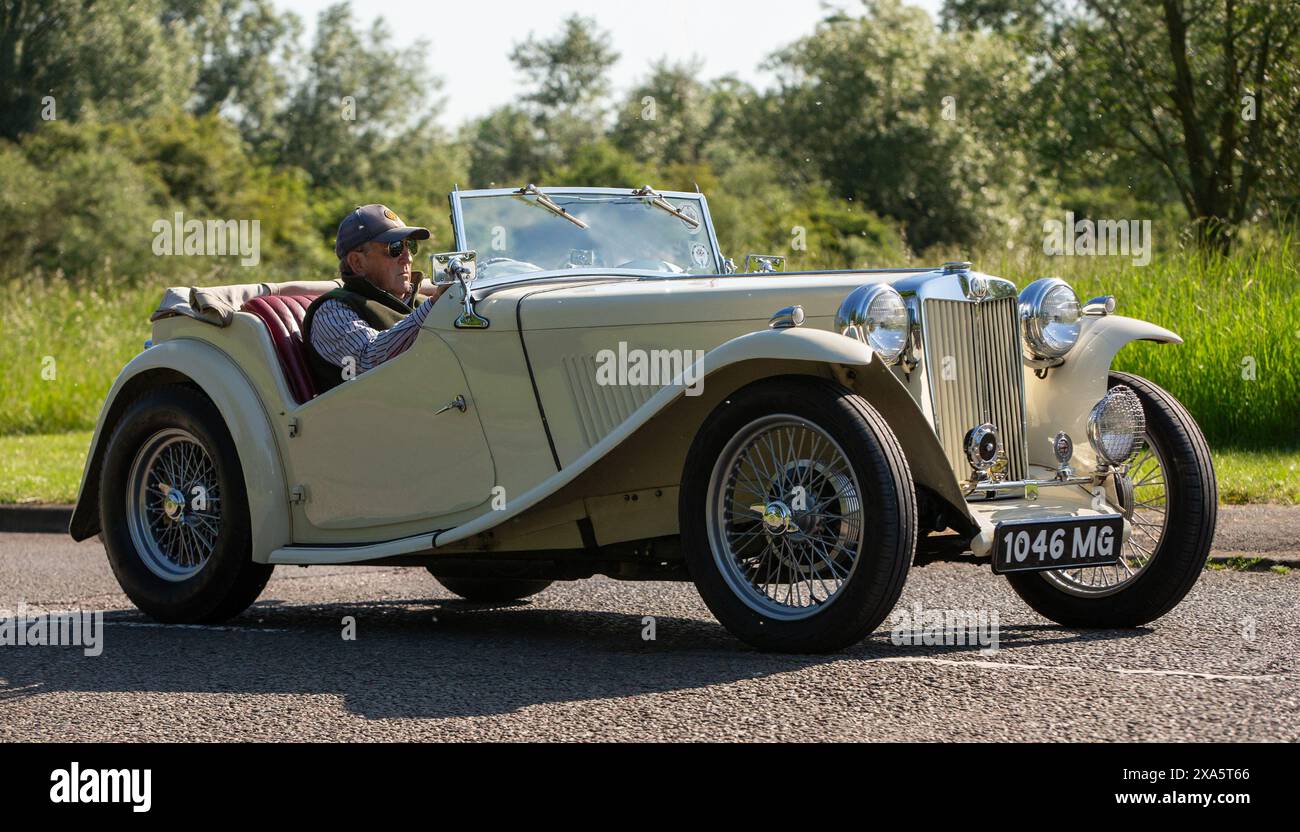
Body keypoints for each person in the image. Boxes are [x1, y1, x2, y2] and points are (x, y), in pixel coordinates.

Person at [303, 204, 449, 393]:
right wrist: (432, 306)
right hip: (363, 420)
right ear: (357, 262)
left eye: (410, 246)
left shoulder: (421, 302)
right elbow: (368, 358)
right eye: (395, 247)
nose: (408, 258)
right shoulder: (333, 311)